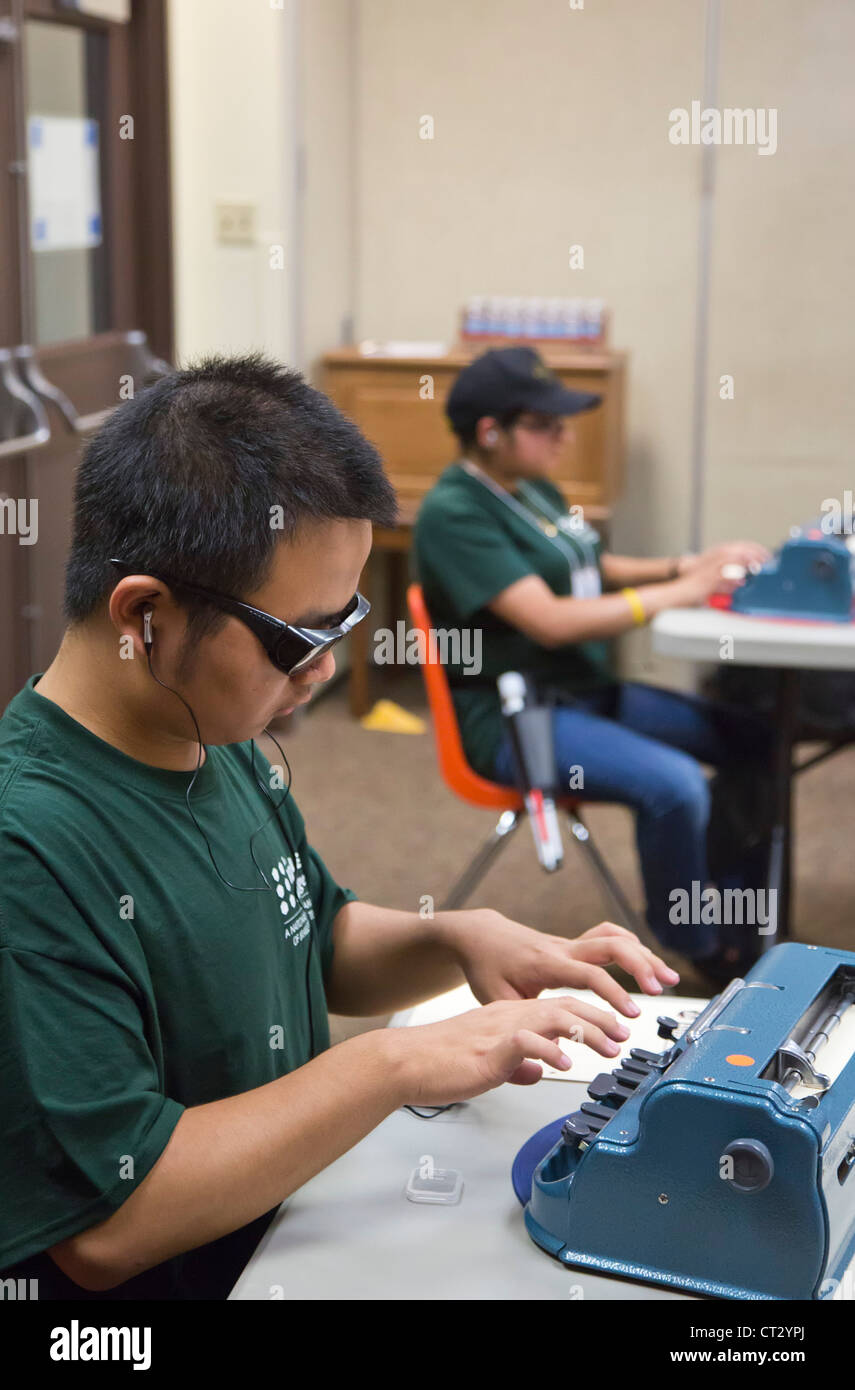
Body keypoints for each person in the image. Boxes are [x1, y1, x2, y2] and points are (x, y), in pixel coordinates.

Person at [0, 353, 680, 1301]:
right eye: (297, 638)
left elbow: (309, 938)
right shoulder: (28, 848)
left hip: (288, 1217)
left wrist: (455, 935)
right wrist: (392, 1063)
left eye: (347, 621)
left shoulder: (208, 725)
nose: (321, 673)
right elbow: (109, 1229)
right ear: (145, 617)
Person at [413, 346, 773, 983]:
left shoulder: (530, 489)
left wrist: (682, 566)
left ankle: (742, 912)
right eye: (545, 424)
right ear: (490, 432)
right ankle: (701, 945)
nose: (564, 434)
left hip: (582, 691)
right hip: (514, 718)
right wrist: (678, 594)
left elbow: (589, 564)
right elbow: (547, 619)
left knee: (753, 740)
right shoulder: (452, 513)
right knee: (676, 785)